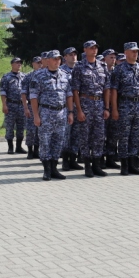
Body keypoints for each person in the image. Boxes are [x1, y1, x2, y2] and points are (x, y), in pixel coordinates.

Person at [30, 50, 74, 180]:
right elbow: (33, 97)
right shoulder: (38, 76)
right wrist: (36, 116)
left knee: (58, 142)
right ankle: (47, 170)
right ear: (47, 61)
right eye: (54, 59)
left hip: (61, 113)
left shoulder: (65, 75)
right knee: (45, 142)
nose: (57, 61)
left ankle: (54, 169)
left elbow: (69, 95)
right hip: (46, 113)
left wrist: (71, 112)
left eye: (58, 59)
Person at [71, 40, 110, 177]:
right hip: (85, 103)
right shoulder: (79, 67)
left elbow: (106, 89)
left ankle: (97, 165)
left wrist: (107, 107)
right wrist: (79, 110)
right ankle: (87, 166)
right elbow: (75, 90)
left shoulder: (102, 66)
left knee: (99, 136)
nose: (94, 50)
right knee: (85, 136)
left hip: (99, 104)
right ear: (85, 50)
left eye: (95, 48)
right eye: (91, 48)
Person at [109, 42, 139, 176]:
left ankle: (133, 164)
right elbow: (114, 91)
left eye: (136, 51)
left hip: (138, 106)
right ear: (125, 52)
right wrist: (114, 109)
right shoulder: (119, 69)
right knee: (124, 137)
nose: (135, 54)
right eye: (132, 51)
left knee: (136, 137)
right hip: (125, 105)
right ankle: (124, 166)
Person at [59, 47, 82, 171]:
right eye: (70, 55)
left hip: (79, 107)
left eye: (75, 54)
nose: (73, 56)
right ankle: (65, 162)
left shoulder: (80, 69)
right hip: (66, 108)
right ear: (65, 57)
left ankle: (73, 160)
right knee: (66, 135)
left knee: (76, 134)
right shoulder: (61, 71)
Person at [0, 57, 27, 154]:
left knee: (21, 127)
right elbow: (3, 92)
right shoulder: (6, 77)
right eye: (17, 63)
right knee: (10, 127)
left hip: (22, 105)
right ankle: (10, 147)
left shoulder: (24, 77)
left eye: (20, 63)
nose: (19, 64)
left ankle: (19, 147)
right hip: (11, 105)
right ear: (12, 64)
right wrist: (4, 105)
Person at [101, 48, 120, 169]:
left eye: (114, 57)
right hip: (101, 107)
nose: (113, 60)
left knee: (113, 134)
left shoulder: (117, 72)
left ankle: (111, 158)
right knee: (101, 134)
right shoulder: (100, 72)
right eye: (111, 57)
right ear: (104, 59)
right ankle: (100, 158)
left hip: (115, 107)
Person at [20, 56, 42, 159]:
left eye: (41, 62)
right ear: (33, 64)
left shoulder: (44, 75)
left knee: (39, 130)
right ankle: (30, 150)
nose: (40, 64)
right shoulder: (28, 77)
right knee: (31, 130)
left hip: (42, 107)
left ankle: (37, 150)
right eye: (38, 63)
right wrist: (25, 108)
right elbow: (23, 93)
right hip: (31, 106)